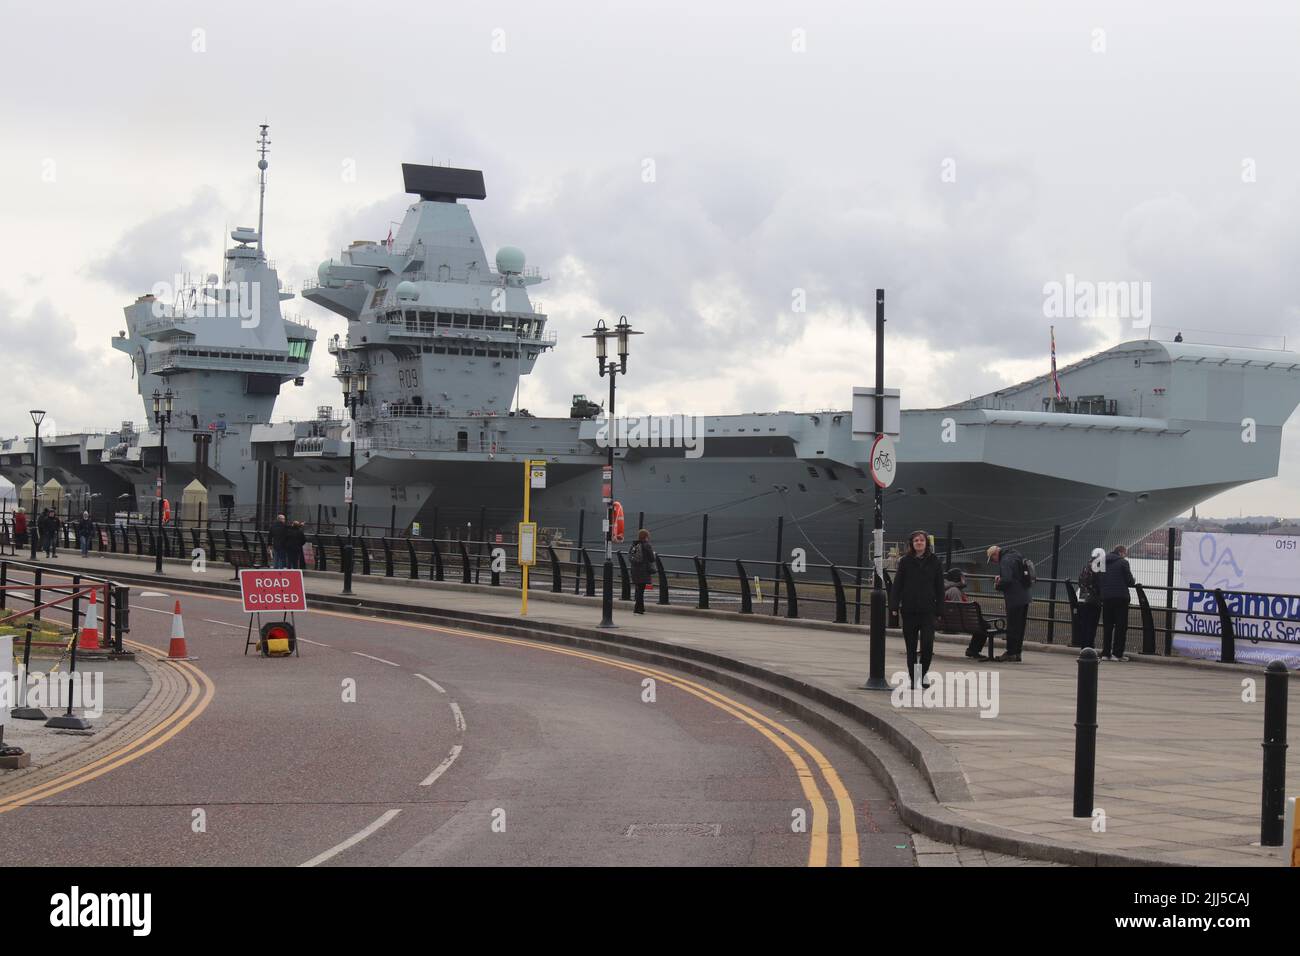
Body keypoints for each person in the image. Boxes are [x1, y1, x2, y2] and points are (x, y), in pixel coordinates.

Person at [892, 530, 945, 688]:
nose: (919, 543)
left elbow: (939, 586)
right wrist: (894, 605)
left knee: (928, 645)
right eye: (916, 540)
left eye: (922, 540)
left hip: (928, 610)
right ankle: (914, 677)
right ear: (912, 544)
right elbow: (897, 585)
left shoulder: (935, 561)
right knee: (911, 646)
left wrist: (940, 609)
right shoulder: (905, 561)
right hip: (909, 609)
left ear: (926, 543)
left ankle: (922, 674)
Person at [987, 543, 1030, 662]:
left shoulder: (1005, 560)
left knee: (1012, 626)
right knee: (1020, 627)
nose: (993, 562)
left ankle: (1010, 652)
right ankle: (1017, 653)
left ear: (996, 554)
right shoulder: (1016, 554)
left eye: (992, 559)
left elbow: (1007, 580)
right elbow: (1016, 575)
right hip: (1025, 596)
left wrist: (997, 585)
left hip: (1014, 598)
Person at [1099, 544, 1137, 661]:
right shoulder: (1123, 563)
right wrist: (1133, 580)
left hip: (1106, 597)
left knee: (1108, 626)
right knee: (1121, 626)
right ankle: (1117, 654)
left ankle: (1105, 653)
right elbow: (1130, 581)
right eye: (1125, 553)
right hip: (1121, 598)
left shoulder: (1102, 562)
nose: (1125, 555)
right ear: (1121, 552)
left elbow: (1099, 579)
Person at [1074, 551, 1103, 648]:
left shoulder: (1086, 566)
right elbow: (1100, 584)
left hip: (1083, 599)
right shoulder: (1099, 566)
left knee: (1084, 624)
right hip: (1094, 600)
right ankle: (1089, 647)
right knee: (1092, 625)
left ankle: (1083, 647)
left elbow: (1080, 581)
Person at [629, 528, 655, 614]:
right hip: (643, 570)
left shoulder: (634, 545)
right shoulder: (646, 545)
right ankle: (638, 608)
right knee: (641, 590)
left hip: (634, 569)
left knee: (638, 589)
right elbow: (652, 558)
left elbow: (630, 557)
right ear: (646, 537)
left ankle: (640, 608)